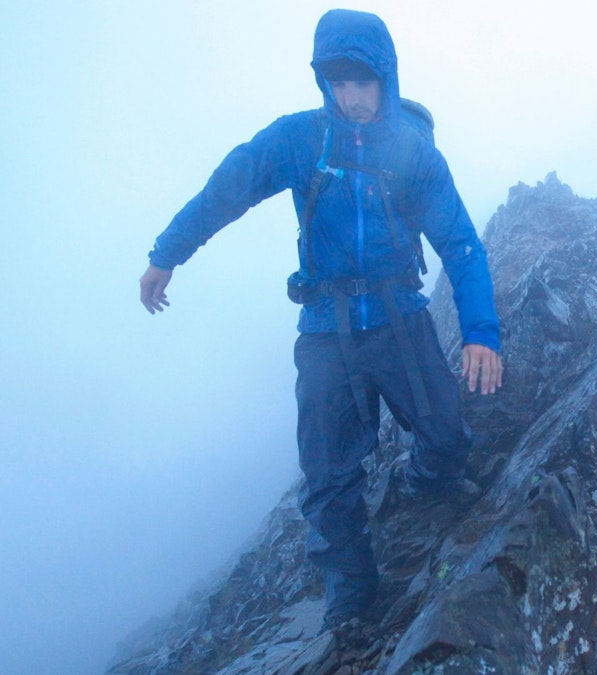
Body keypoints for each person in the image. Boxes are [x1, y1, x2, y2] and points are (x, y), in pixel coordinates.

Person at [138, 9, 502, 629]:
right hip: (325, 329)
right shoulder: (299, 140)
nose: (351, 97)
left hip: (398, 314)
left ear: (387, 79)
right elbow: (227, 190)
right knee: (328, 475)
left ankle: (424, 482)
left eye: (364, 82)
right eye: (338, 82)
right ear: (322, 81)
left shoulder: (414, 154)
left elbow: (461, 244)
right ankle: (351, 596)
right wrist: (166, 255)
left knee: (445, 436)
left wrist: (481, 334)